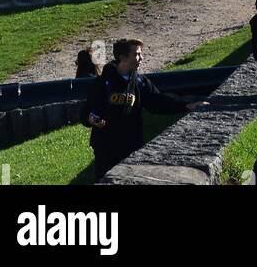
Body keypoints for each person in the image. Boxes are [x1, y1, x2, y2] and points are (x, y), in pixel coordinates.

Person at [81, 38, 209, 179]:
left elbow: (157, 101)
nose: (141, 58)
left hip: (131, 146)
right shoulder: (103, 83)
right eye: (137, 54)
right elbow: (87, 113)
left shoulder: (139, 82)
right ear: (122, 57)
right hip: (105, 148)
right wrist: (92, 119)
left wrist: (186, 104)